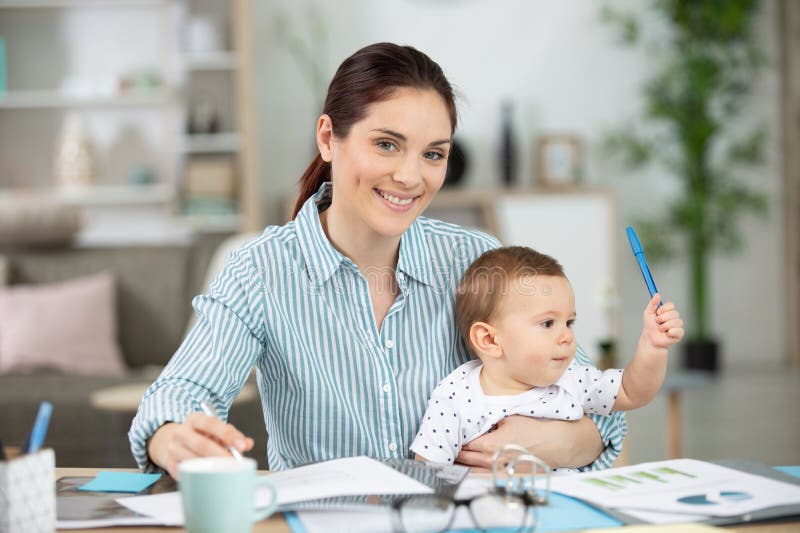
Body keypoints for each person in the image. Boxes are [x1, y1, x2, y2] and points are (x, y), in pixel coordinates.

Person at [129, 42, 627, 479]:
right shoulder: (259, 272)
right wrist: (174, 436)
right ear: (328, 138)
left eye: (434, 154)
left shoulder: (476, 258)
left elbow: (602, 413)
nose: (411, 176)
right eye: (387, 145)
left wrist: (562, 442)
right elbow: (177, 396)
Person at [411, 247, 684, 467]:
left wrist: (653, 346)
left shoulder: (571, 379)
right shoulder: (455, 397)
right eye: (547, 324)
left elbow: (631, 391)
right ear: (490, 339)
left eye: (569, 322)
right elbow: (427, 478)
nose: (567, 336)